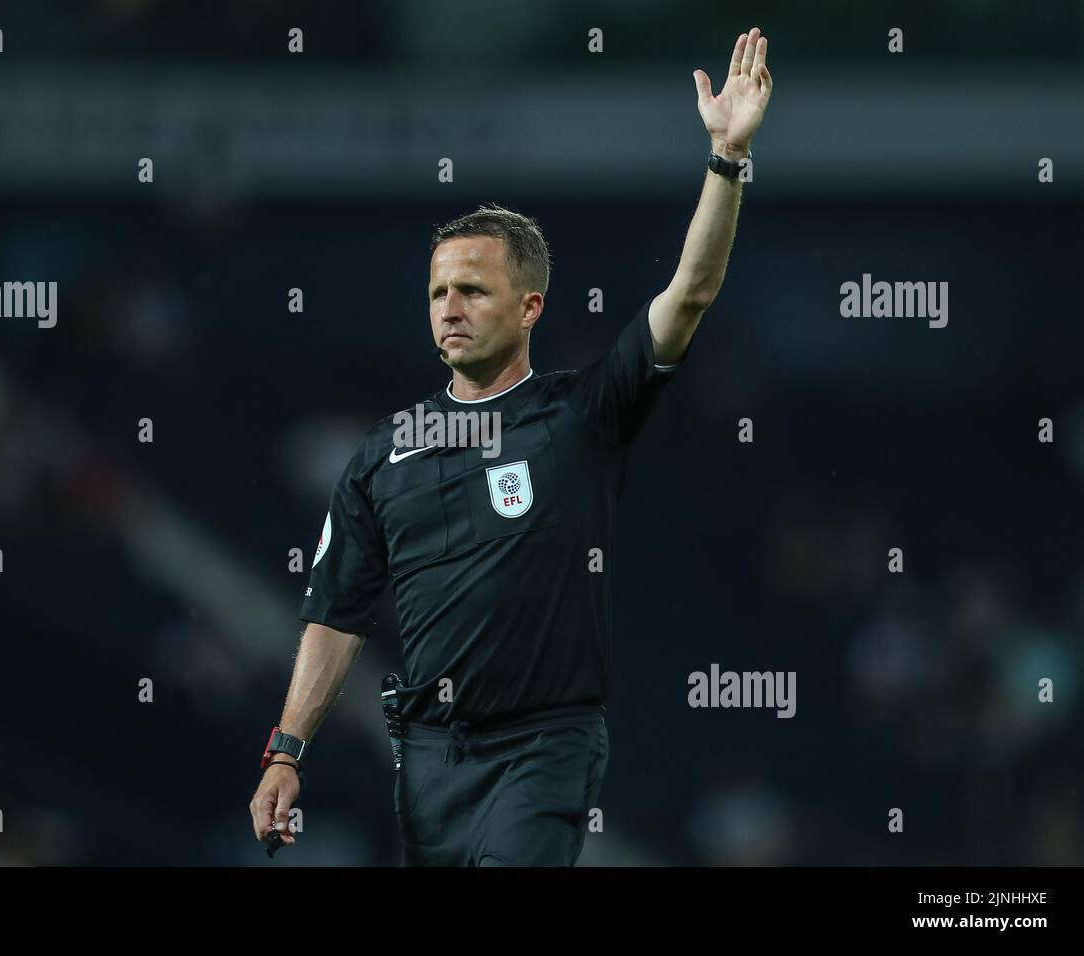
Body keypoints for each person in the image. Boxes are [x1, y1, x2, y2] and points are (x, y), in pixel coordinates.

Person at [250, 26, 774, 865]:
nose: (449, 307)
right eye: (437, 292)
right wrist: (286, 751)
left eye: (472, 289)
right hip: (426, 754)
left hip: (543, 745)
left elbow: (692, 291)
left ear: (529, 307)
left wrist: (726, 160)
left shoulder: (582, 414)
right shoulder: (384, 453)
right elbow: (335, 612)